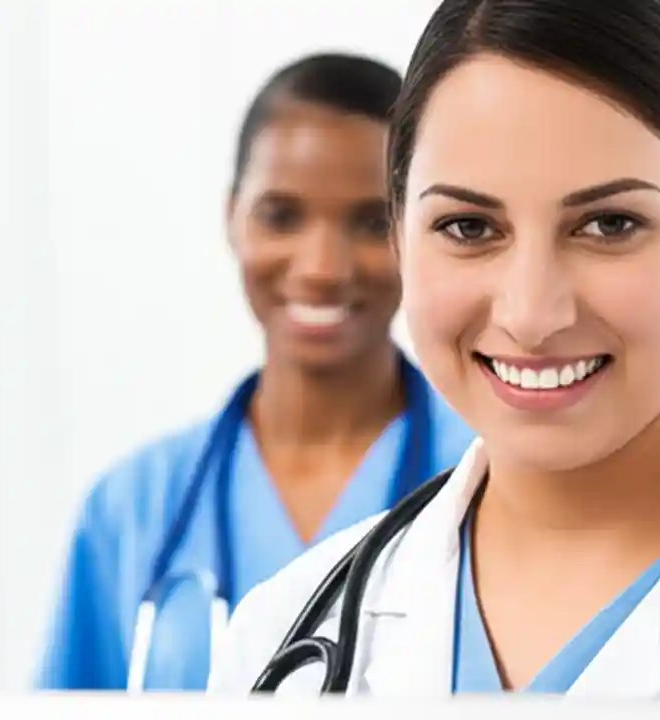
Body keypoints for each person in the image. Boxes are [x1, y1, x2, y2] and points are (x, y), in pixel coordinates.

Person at [207, 0, 660, 698]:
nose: (532, 314)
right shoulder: (276, 641)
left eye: (609, 223)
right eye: (470, 227)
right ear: (399, 234)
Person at [35, 53, 476, 691]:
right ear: (232, 217)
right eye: (282, 215)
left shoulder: (493, 485)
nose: (323, 266)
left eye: (372, 221)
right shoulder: (133, 508)